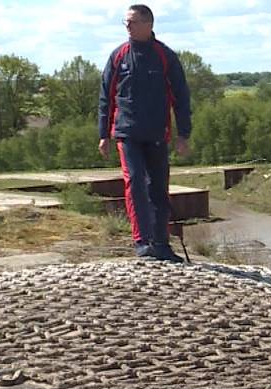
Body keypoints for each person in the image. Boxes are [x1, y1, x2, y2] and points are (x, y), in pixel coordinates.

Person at [98, 4, 192, 263]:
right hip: (126, 133)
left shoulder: (165, 56)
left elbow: (181, 97)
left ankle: (161, 243)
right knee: (136, 181)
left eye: (133, 22)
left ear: (148, 24)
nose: (128, 26)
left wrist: (184, 134)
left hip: (157, 133)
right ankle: (142, 242)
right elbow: (106, 96)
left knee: (158, 188)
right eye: (126, 22)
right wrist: (104, 134)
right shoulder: (118, 56)